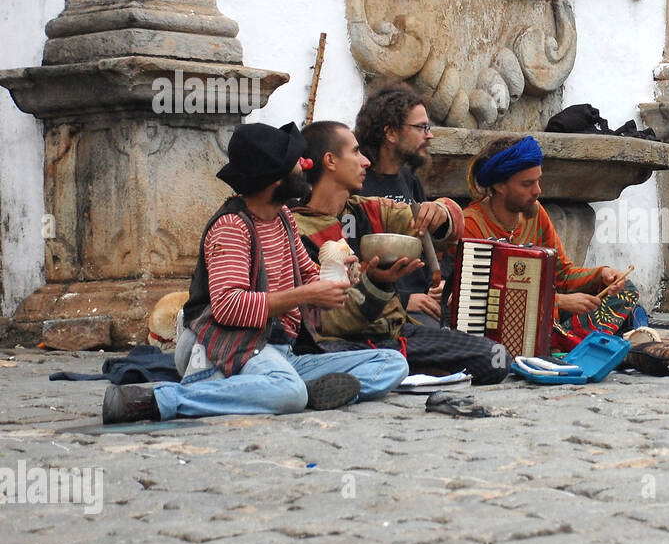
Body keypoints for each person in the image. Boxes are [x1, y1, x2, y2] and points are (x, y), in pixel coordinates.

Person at [101, 122, 409, 424]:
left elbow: (310, 280)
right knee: (289, 391)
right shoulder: (232, 227)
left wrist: (343, 277)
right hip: (224, 348)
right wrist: (304, 295)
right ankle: (160, 400)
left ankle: (292, 393)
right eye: (295, 165)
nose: (305, 166)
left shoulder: (283, 217)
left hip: (277, 351)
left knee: (392, 364)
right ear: (275, 180)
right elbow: (228, 305)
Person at [292, 121, 508, 384]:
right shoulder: (297, 232)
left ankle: (407, 374)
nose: (366, 163)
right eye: (356, 153)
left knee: (495, 357)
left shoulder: (368, 210)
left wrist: (439, 211)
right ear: (331, 161)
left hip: (394, 334)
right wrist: (378, 283)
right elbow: (329, 321)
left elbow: (445, 225)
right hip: (339, 344)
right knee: (390, 364)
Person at [462, 135, 644, 338]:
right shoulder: (471, 224)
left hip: (547, 317)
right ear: (499, 186)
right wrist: (558, 302)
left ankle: (563, 338)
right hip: (500, 327)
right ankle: (565, 341)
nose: (538, 191)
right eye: (527, 184)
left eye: (538, 180)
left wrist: (602, 274)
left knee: (624, 289)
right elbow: (480, 297)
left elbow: (563, 275)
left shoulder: (536, 213)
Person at [353, 84, 447, 318]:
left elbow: (424, 247)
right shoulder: (356, 184)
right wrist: (403, 300)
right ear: (391, 133)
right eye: (421, 127)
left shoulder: (409, 178)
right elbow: (348, 264)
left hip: (423, 303)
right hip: (380, 312)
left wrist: (437, 285)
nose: (429, 135)